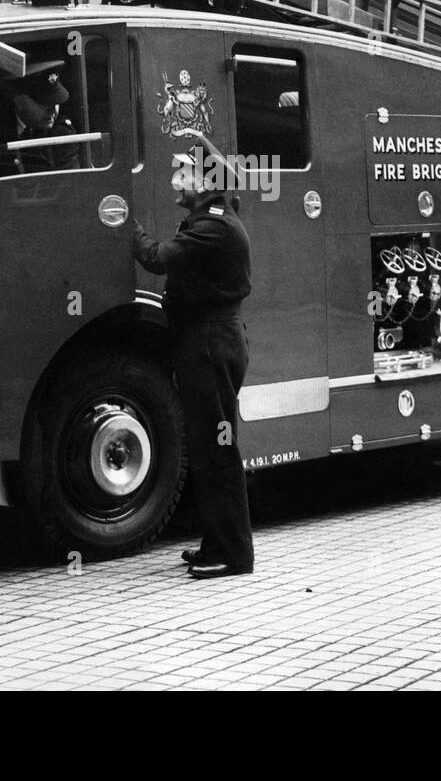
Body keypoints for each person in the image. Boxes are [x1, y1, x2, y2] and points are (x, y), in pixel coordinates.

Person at [132, 139, 254, 579]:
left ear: (203, 181)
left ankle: (235, 555)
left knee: (218, 451)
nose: (173, 180)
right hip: (209, 344)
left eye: (181, 172)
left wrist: (124, 222)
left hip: (209, 346)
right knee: (207, 448)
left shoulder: (214, 227)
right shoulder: (209, 219)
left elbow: (157, 258)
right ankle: (215, 543)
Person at [8, 61, 79, 173]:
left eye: (56, 102)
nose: (53, 111)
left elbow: (67, 183)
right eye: (44, 103)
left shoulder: (61, 134)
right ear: (19, 101)